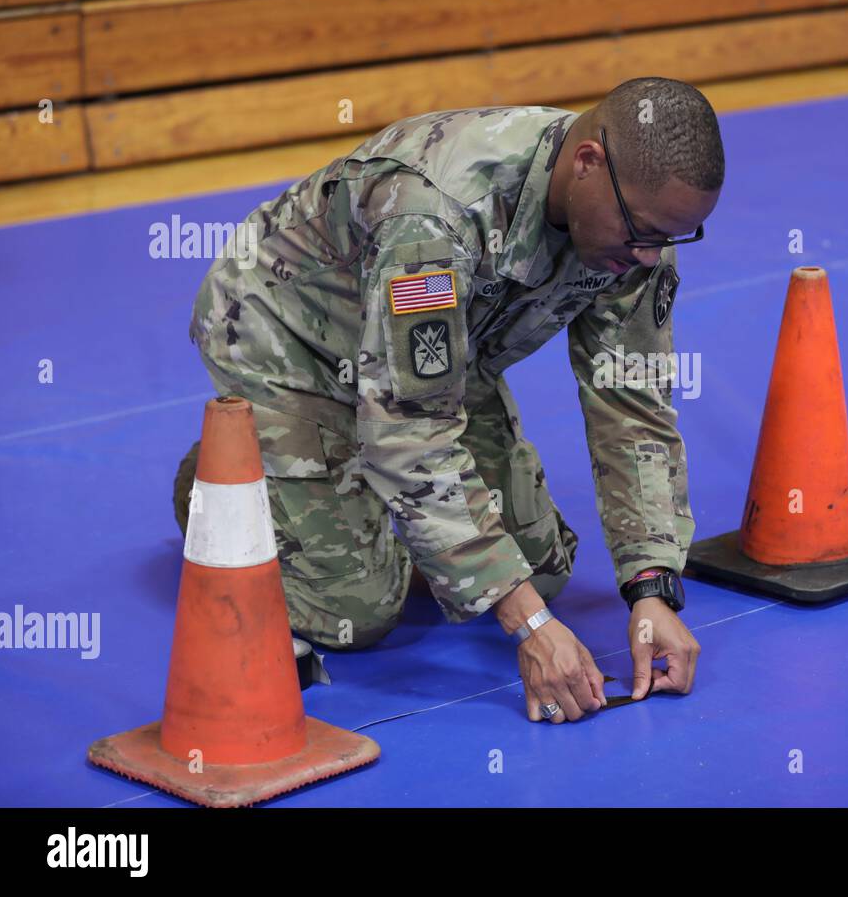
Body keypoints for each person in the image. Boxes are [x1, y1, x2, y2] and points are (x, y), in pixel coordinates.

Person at [176, 76, 724, 724]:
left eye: (675, 238)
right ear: (587, 165)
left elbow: (632, 404)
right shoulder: (433, 213)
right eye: (645, 231)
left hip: (437, 364)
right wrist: (531, 626)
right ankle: (223, 476)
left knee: (541, 569)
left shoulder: (638, 227)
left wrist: (652, 587)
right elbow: (409, 428)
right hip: (291, 338)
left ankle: (344, 476)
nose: (651, 254)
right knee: (357, 610)